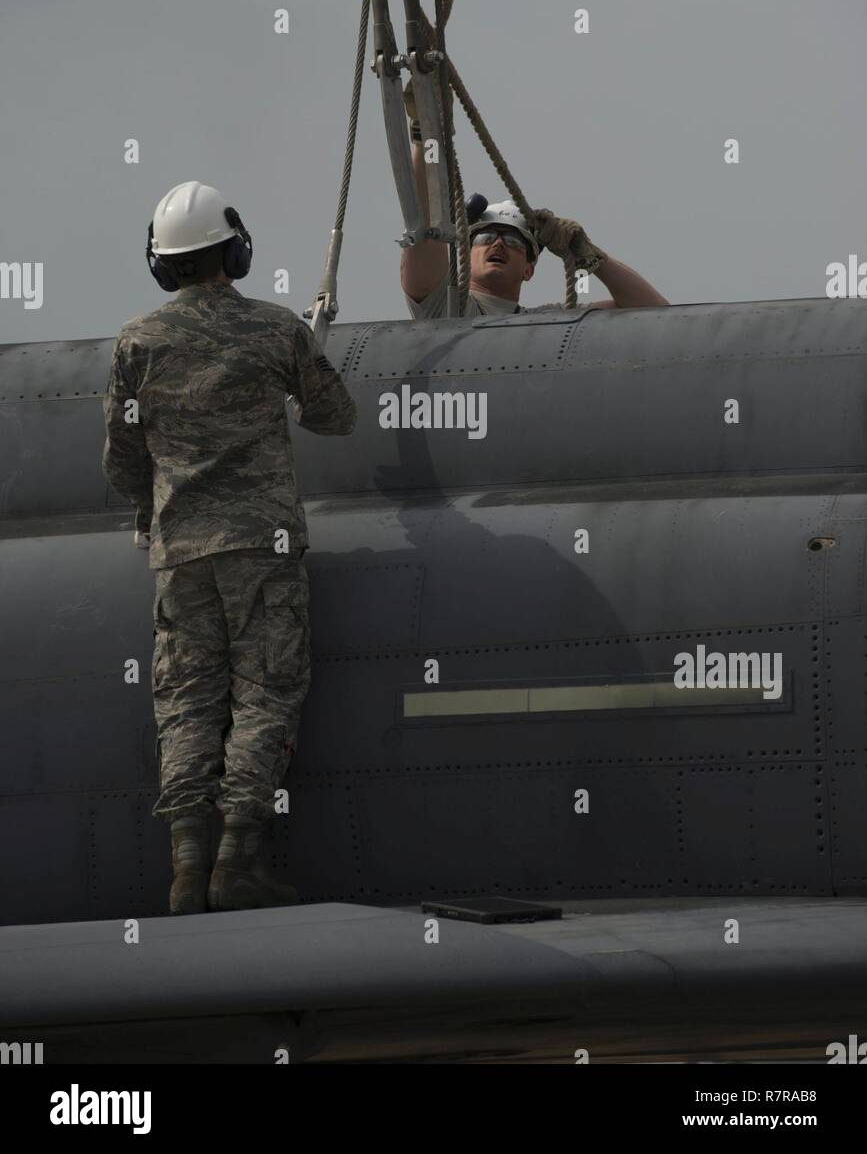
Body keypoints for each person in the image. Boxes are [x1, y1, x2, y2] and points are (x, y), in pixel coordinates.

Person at [102, 180, 356, 915]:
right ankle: (238, 860)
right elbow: (335, 418)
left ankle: (185, 868)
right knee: (265, 695)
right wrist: (296, 369)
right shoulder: (275, 330)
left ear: (161, 263)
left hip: (178, 556)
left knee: (185, 704)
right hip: (261, 548)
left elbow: (121, 459)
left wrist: (153, 509)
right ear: (234, 248)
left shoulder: (136, 341)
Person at [401, 92, 669, 317]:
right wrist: (426, 134)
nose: (498, 244)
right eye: (486, 236)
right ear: (466, 257)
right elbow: (425, 231)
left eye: (514, 242)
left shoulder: (548, 325)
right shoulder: (445, 310)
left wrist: (590, 256)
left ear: (528, 270)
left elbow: (655, 315)